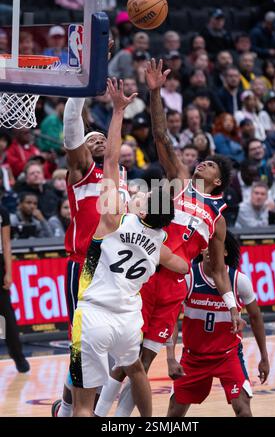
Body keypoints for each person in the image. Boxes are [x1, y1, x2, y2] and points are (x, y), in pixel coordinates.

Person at [96, 59, 245, 418]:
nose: (201, 164)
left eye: (209, 164)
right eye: (202, 161)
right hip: (148, 273)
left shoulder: (218, 218)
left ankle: (119, 421)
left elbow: (218, 267)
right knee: (128, 360)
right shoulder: (178, 182)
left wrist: (230, 303)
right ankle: (100, 415)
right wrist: (155, 91)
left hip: (176, 286)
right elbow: (161, 135)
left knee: (144, 363)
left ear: (219, 181)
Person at [70, 77, 189, 417]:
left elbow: (109, 159)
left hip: (93, 314)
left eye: (147, 196)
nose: (142, 193)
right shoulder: (159, 243)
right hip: (128, 321)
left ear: (146, 209)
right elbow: (180, 266)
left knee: (82, 404)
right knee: (136, 370)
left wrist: (118, 110)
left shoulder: (114, 219)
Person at [52, 50, 129, 418]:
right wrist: (89, 74)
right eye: (91, 137)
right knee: (83, 348)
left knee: (117, 351)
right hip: (85, 266)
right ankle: (70, 410)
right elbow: (71, 122)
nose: (97, 141)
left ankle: (88, 412)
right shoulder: (82, 170)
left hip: (117, 270)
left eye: (102, 138)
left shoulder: (122, 179)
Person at [167, 231, 270, 417]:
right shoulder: (189, 277)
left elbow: (256, 317)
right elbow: (172, 318)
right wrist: (171, 357)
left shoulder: (239, 280)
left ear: (225, 252)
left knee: (244, 411)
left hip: (228, 356)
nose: (208, 249)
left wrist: (264, 357)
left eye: (214, 245)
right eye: (205, 245)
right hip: (194, 358)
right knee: (173, 415)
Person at [0, 205, 30, 372]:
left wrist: (9, 272)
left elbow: (6, 244)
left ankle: (17, 355)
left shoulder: (2, 211)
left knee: (6, 316)